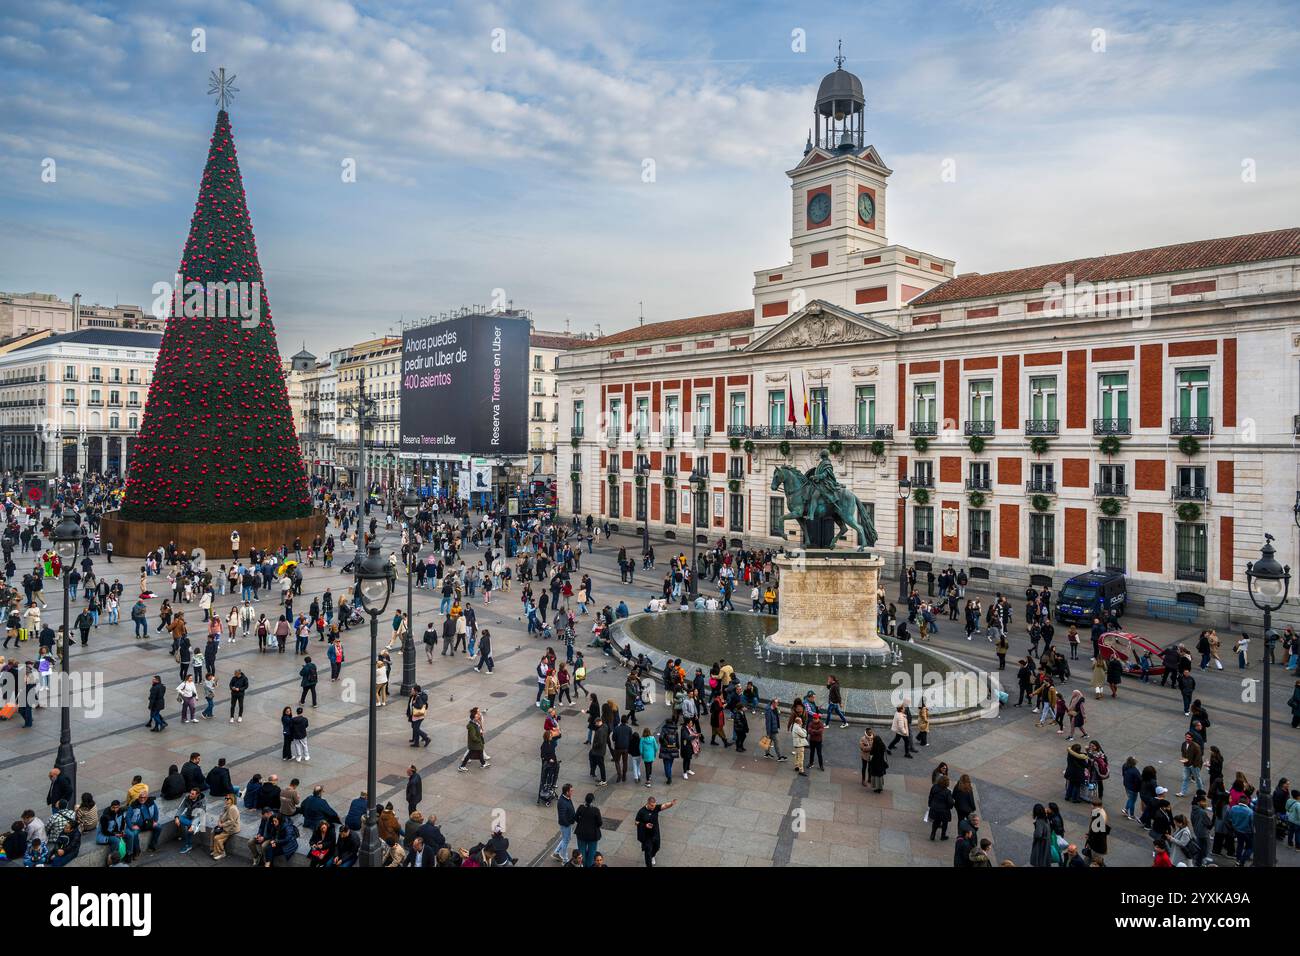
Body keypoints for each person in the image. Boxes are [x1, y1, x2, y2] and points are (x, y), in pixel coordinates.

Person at [634, 796, 676, 867]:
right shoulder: (641, 811)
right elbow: (636, 822)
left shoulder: (655, 808)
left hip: (655, 833)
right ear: (648, 803)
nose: (653, 807)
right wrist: (645, 825)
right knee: (648, 851)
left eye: (654, 805)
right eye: (652, 805)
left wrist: (671, 803)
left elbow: (664, 805)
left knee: (657, 847)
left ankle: (652, 855)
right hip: (646, 835)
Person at [574, 792, 602, 867]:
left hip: (581, 833)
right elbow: (600, 823)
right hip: (593, 835)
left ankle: (582, 865)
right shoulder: (596, 810)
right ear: (592, 801)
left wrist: (581, 823)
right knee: (592, 853)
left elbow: (576, 818)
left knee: (581, 852)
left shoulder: (581, 808)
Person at [928, 774, 954, 840]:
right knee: (945, 823)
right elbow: (950, 802)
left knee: (935, 822)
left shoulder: (934, 787)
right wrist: (950, 806)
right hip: (943, 811)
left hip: (934, 808)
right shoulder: (947, 792)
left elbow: (930, 796)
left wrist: (930, 804)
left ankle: (932, 834)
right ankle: (943, 836)